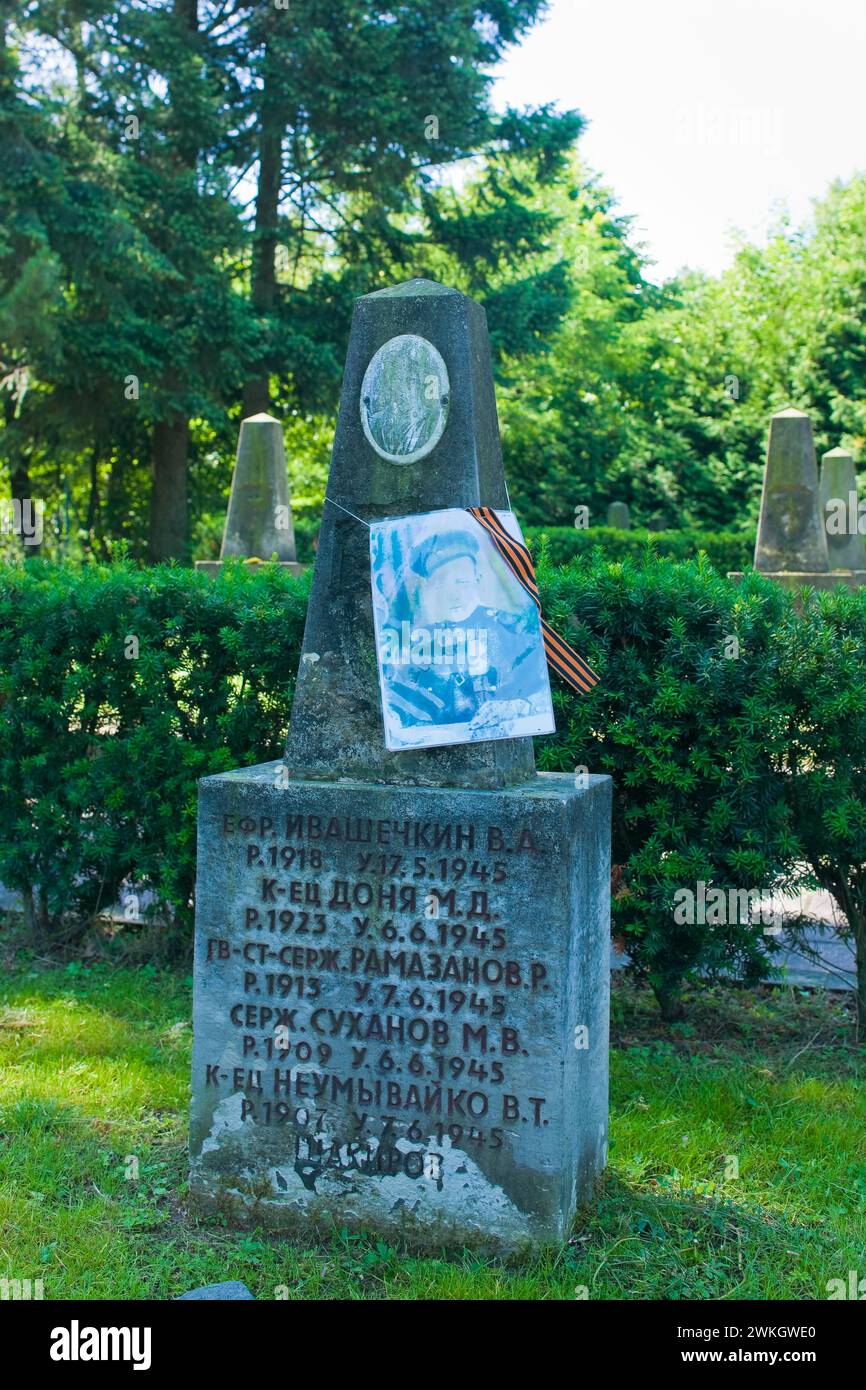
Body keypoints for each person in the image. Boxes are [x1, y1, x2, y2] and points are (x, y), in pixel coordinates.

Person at [379, 527, 546, 739]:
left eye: (461, 582)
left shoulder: (511, 627)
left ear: (478, 578)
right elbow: (401, 697)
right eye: (441, 585)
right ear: (430, 587)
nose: (454, 595)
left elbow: (541, 686)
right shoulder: (418, 639)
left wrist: (522, 705)